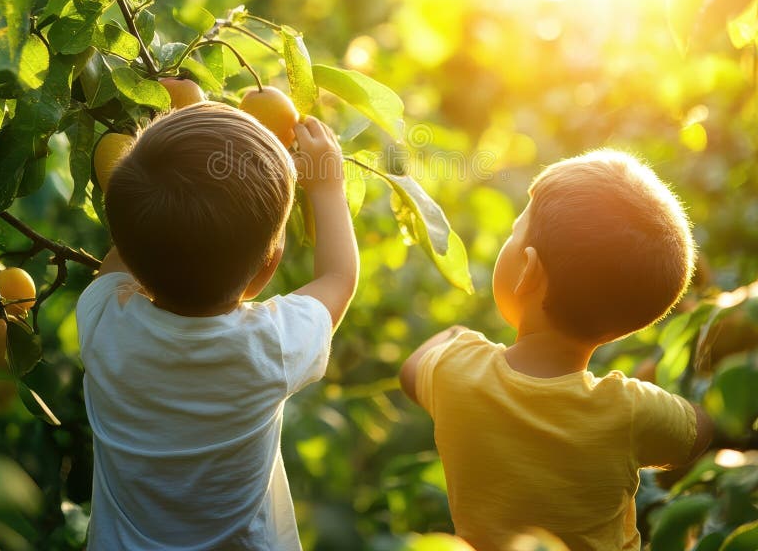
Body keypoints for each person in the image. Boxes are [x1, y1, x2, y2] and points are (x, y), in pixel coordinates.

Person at [76, 102, 358, 551]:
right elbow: (338, 279)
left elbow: (129, 244)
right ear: (270, 262)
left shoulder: (102, 322)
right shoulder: (270, 349)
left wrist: (178, 148)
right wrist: (327, 185)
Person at [399, 149, 714, 551]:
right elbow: (699, 431)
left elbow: (411, 371)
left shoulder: (457, 370)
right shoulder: (632, 411)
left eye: (514, 232)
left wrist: (459, 332)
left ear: (528, 270)